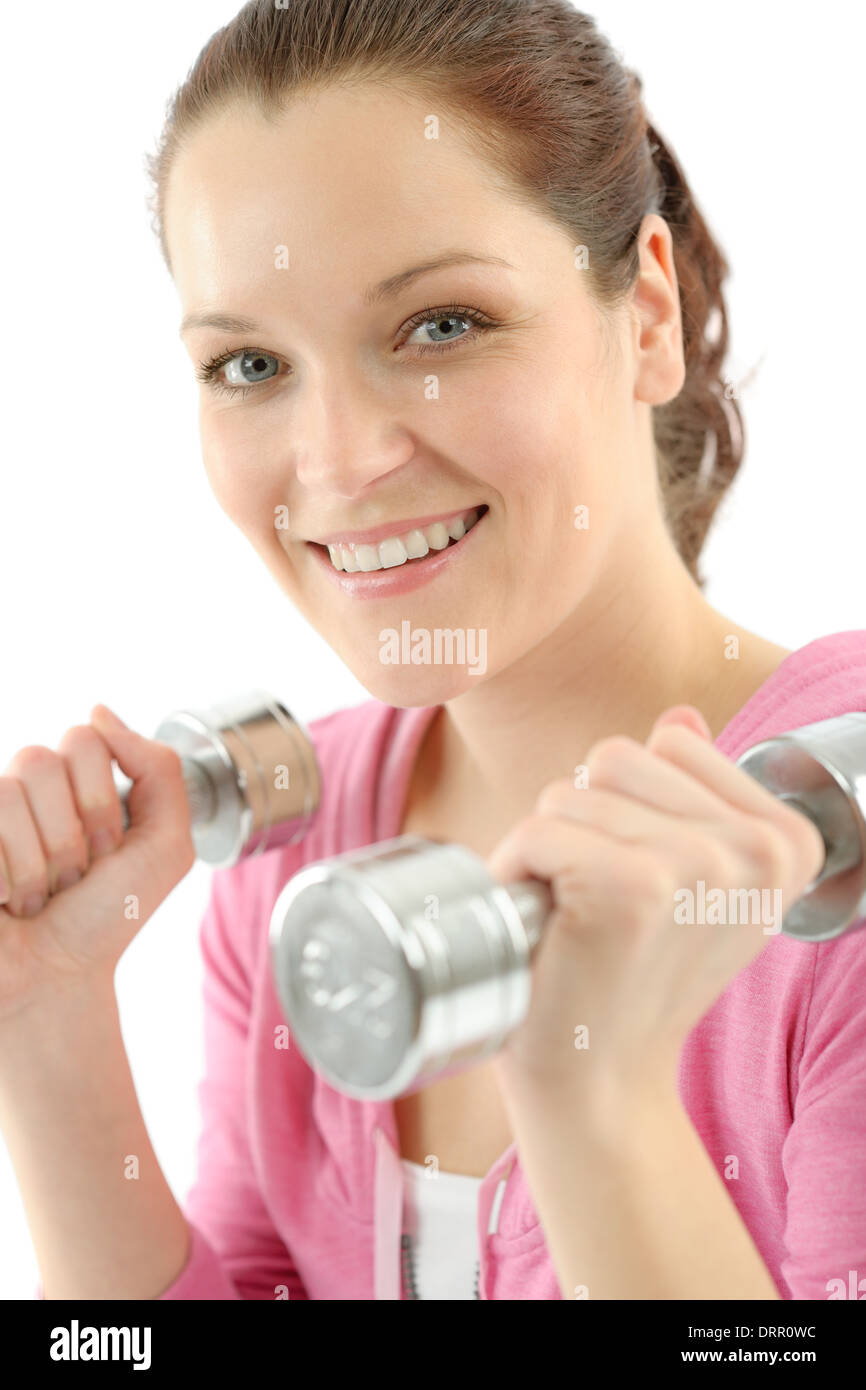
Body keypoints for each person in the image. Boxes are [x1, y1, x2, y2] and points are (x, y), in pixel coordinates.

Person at [1, 0, 864, 1301]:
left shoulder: (827, 872)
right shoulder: (302, 853)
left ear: (643, 313)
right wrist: (42, 1024)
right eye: (248, 363)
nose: (338, 462)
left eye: (441, 325)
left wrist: (596, 1099)